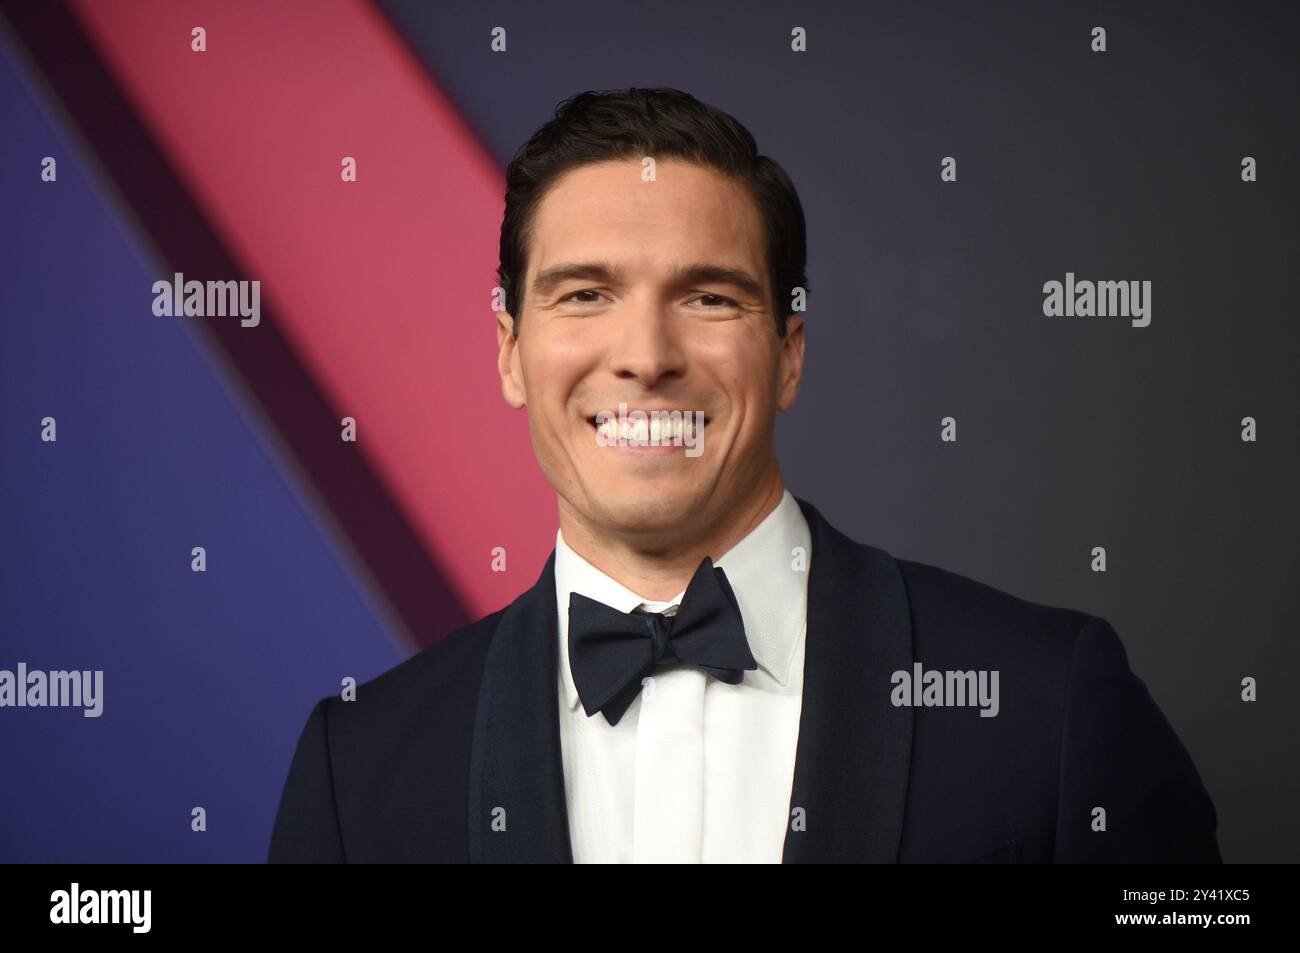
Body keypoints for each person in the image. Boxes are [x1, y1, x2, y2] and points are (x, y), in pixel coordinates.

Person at [268, 87, 1220, 863]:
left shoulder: (1049, 704)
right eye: (586, 294)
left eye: (709, 296)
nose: (644, 355)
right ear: (512, 353)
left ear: (790, 353)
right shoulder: (357, 770)